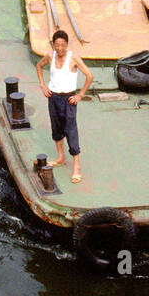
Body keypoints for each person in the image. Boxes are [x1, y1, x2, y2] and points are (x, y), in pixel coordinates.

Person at [36, 29, 93, 184]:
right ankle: (60, 157)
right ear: (53, 45)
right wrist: (42, 85)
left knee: (70, 129)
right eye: (57, 45)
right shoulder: (50, 56)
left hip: (69, 99)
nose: (59, 48)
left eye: (62, 45)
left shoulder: (73, 57)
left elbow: (89, 75)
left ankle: (76, 166)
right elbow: (39, 66)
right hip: (53, 97)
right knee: (56, 127)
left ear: (67, 45)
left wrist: (80, 94)